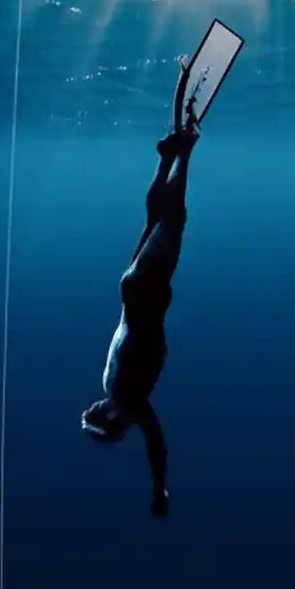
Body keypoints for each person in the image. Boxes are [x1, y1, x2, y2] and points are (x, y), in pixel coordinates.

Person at [81, 58, 202, 520]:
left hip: (146, 293)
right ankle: (169, 156)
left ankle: (182, 153)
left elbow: (157, 442)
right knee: (158, 216)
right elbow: (152, 440)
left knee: (173, 219)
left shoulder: (129, 403)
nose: (93, 406)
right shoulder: (113, 390)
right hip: (131, 290)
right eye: (94, 413)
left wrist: (159, 489)